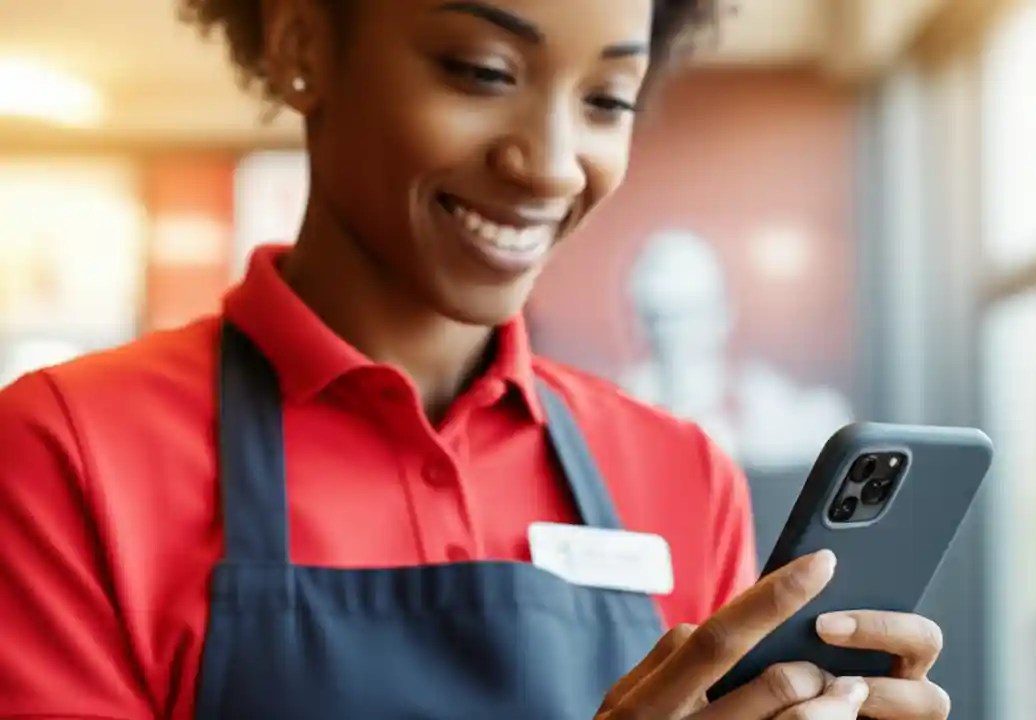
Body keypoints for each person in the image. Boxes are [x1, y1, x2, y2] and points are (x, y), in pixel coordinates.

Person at [0, 1, 951, 718]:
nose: (548, 164)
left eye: (607, 99)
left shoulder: (680, 473)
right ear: (300, 48)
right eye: (482, 71)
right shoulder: (65, 454)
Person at [622, 229, 855, 469]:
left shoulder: (781, 409)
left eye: (689, 315)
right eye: (658, 318)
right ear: (639, 324)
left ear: (723, 314)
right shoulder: (617, 413)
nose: (672, 334)